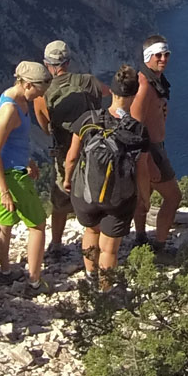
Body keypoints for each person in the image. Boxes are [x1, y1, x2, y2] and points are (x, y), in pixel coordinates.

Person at [61, 65, 149, 290]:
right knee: (109, 248)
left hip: (85, 193)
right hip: (118, 199)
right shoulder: (136, 130)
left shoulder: (87, 119)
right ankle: (105, 291)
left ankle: (90, 275)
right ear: (135, 94)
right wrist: (143, 197)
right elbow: (142, 169)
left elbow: (71, 157)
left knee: (91, 231)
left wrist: (68, 180)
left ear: (110, 90)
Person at [33, 40, 110, 269]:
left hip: (64, 152)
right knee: (93, 197)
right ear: (68, 62)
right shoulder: (88, 81)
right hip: (94, 150)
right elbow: (111, 96)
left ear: (47, 65)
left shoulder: (42, 93)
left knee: (60, 200)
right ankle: (96, 249)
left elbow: (45, 127)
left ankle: (56, 245)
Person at [0, 62, 52, 290]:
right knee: (38, 225)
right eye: (38, 90)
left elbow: (15, 142)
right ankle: (34, 281)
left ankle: (5, 272)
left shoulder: (17, 98)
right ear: (25, 84)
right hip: (9, 173)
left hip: (12, 167)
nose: (39, 96)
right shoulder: (10, 110)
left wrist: (29, 161)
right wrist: (5, 190)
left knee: (5, 222)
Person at [130, 35, 182, 250]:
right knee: (173, 197)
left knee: (145, 195)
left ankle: (140, 237)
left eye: (166, 54)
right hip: (150, 151)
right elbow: (135, 124)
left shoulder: (156, 81)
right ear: (147, 57)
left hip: (153, 149)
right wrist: (148, 161)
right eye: (158, 55)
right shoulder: (144, 85)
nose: (163, 59)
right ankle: (159, 246)